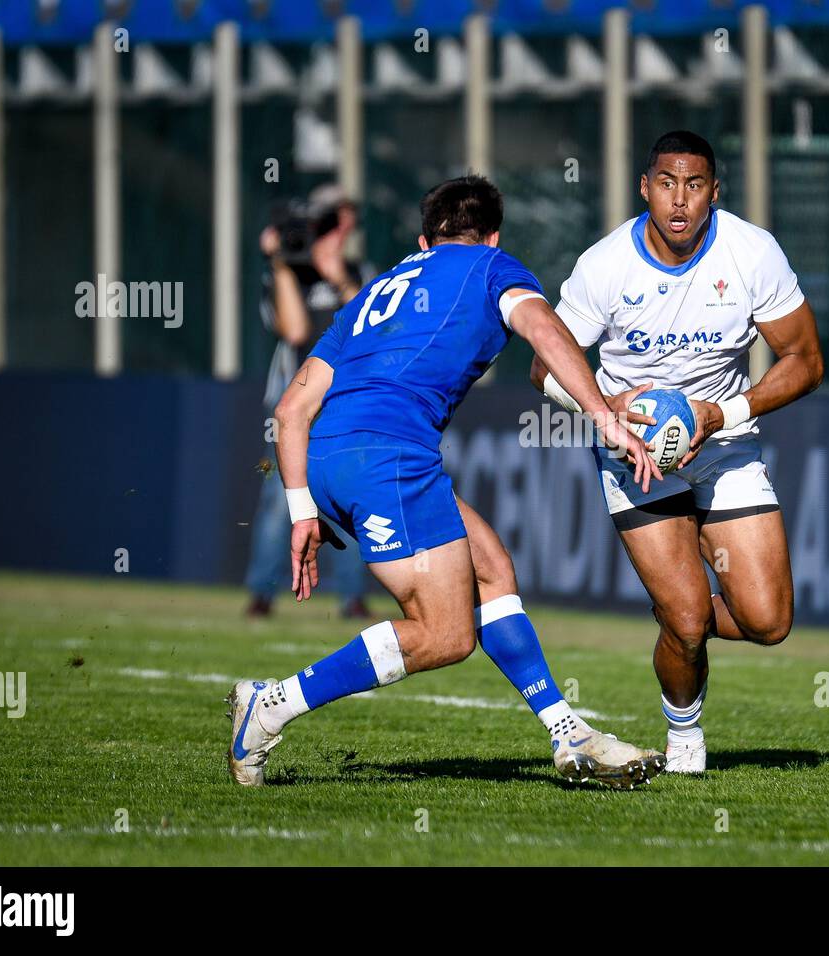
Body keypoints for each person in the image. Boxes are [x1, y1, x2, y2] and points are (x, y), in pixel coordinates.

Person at [227, 175, 666, 789]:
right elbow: (543, 330)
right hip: (389, 457)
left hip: (328, 454)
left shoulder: (375, 290)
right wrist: (604, 414)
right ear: (492, 235)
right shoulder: (491, 267)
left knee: (490, 567)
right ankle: (271, 706)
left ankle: (569, 735)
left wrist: (303, 510)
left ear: (422, 240)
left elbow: (290, 412)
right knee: (445, 633)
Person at [530, 131, 825, 773]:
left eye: (695, 185)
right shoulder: (606, 264)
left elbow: (806, 359)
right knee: (690, 622)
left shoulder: (752, 253)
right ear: (645, 187)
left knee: (769, 621)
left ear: (715, 192)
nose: (680, 200)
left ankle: (676, 605)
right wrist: (606, 410)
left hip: (722, 447)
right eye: (667, 182)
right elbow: (544, 372)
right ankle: (684, 732)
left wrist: (722, 413)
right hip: (634, 453)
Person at [244, 184, 371, 619]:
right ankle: (261, 594)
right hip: (297, 404)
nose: (339, 232)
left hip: (345, 403)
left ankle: (352, 598)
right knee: (279, 502)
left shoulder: (358, 272)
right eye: (332, 222)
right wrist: (282, 261)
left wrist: (338, 276)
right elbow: (295, 331)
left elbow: (367, 330)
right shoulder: (285, 273)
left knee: (348, 500)